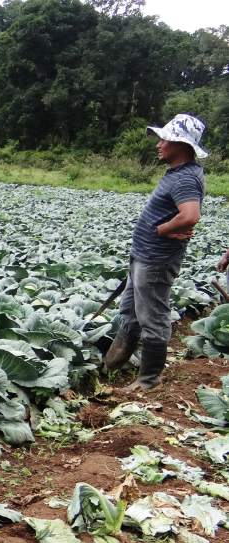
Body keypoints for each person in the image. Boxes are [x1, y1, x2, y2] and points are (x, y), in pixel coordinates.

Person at [104, 113, 207, 390]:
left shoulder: (185, 178)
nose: (158, 144)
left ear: (181, 145)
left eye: (164, 139)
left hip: (157, 260)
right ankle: (111, 367)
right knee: (129, 312)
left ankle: (149, 379)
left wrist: (161, 230)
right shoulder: (176, 174)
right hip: (145, 256)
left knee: (153, 317)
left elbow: (190, 215)